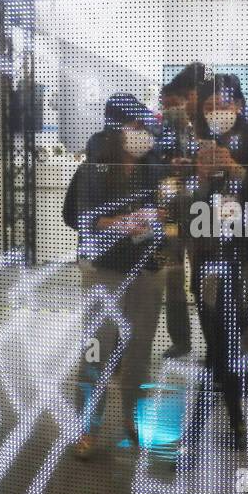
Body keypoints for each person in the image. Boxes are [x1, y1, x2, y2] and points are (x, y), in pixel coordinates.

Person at [186, 73, 248, 451]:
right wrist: (199, 177)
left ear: (239, 105)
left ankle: (211, 427)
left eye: (223, 105)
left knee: (226, 338)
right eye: (209, 108)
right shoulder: (200, 144)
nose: (216, 113)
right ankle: (234, 422)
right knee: (216, 337)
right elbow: (193, 207)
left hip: (245, 251)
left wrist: (236, 168)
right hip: (207, 250)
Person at [72, 94, 167, 459]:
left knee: (139, 352)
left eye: (144, 126)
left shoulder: (152, 167)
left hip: (147, 268)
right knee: (97, 350)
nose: (140, 134)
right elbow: (81, 217)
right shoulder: (95, 169)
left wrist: (159, 218)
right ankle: (88, 429)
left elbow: (168, 210)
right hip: (106, 272)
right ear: (116, 129)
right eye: (133, 126)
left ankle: (133, 419)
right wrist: (122, 222)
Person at [156, 63, 207, 359]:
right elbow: (155, 162)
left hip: (202, 211)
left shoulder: (211, 124)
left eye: (182, 99)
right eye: (171, 102)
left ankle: (212, 340)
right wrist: (170, 165)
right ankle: (181, 340)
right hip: (170, 209)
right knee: (171, 276)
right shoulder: (165, 126)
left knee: (202, 278)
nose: (176, 106)